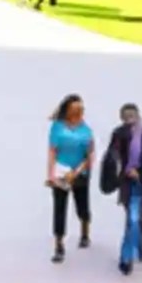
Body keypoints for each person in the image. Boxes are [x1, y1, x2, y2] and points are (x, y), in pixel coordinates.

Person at [102, 103, 142, 276]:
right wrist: (119, 170)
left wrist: (140, 170)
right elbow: (111, 156)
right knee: (133, 218)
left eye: (132, 114)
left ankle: (135, 251)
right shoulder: (119, 134)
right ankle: (129, 256)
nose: (130, 118)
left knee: (136, 218)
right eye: (126, 115)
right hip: (126, 182)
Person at [46, 94, 95, 263]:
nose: (78, 113)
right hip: (61, 171)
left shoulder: (85, 130)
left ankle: (85, 231)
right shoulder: (57, 127)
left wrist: (77, 171)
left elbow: (90, 154)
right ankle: (59, 244)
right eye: (74, 109)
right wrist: (51, 174)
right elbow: (52, 150)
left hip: (80, 171)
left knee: (82, 204)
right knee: (59, 207)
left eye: (80, 109)